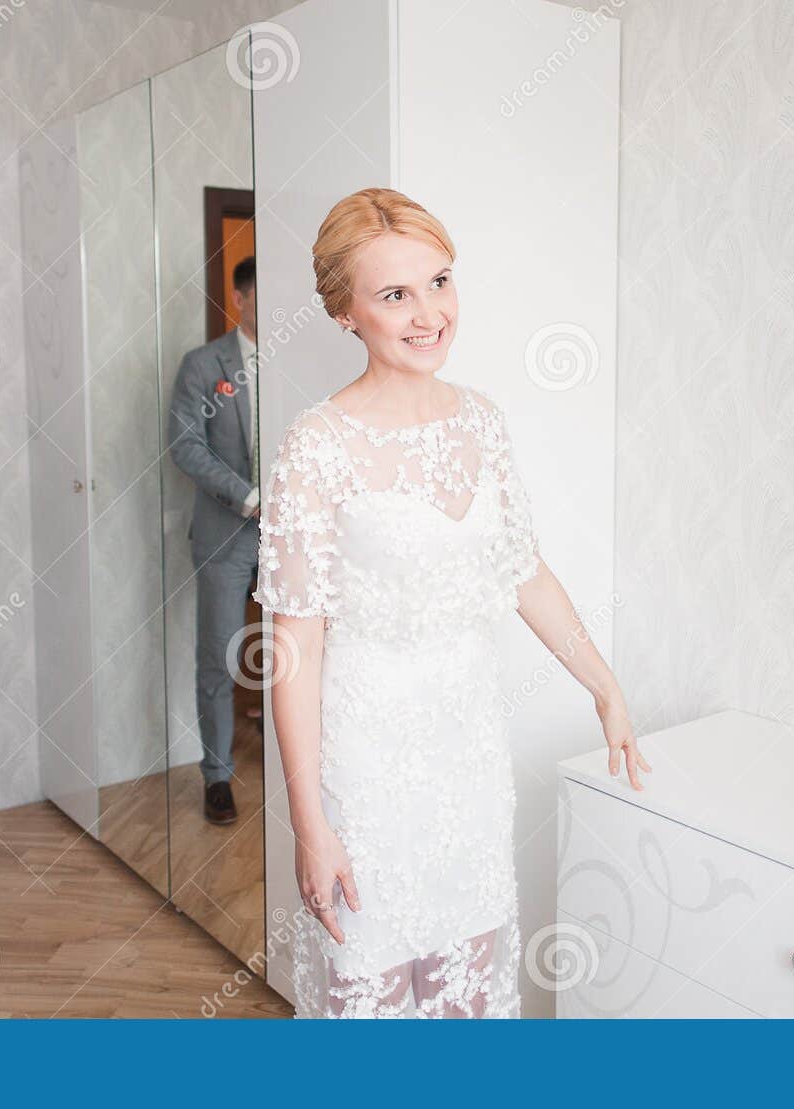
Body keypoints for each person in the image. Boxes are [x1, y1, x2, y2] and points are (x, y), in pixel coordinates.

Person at [254, 188, 648, 1018]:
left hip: (467, 758)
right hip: (365, 770)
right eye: (395, 294)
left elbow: (523, 573)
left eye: (439, 281)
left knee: (465, 989)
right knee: (377, 994)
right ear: (344, 312)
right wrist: (309, 820)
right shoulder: (316, 445)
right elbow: (296, 645)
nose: (428, 313)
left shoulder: (484, 423)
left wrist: (605, 687)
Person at [167, 255, 261, 825]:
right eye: (261, 295)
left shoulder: (305, 361)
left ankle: (294, 763)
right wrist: (248, 497)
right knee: (219, 656)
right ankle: (217, 775)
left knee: (300, 657)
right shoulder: (204, 365)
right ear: (241, 298)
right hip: (227, 532)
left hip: (294, 539)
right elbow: (185, 446)